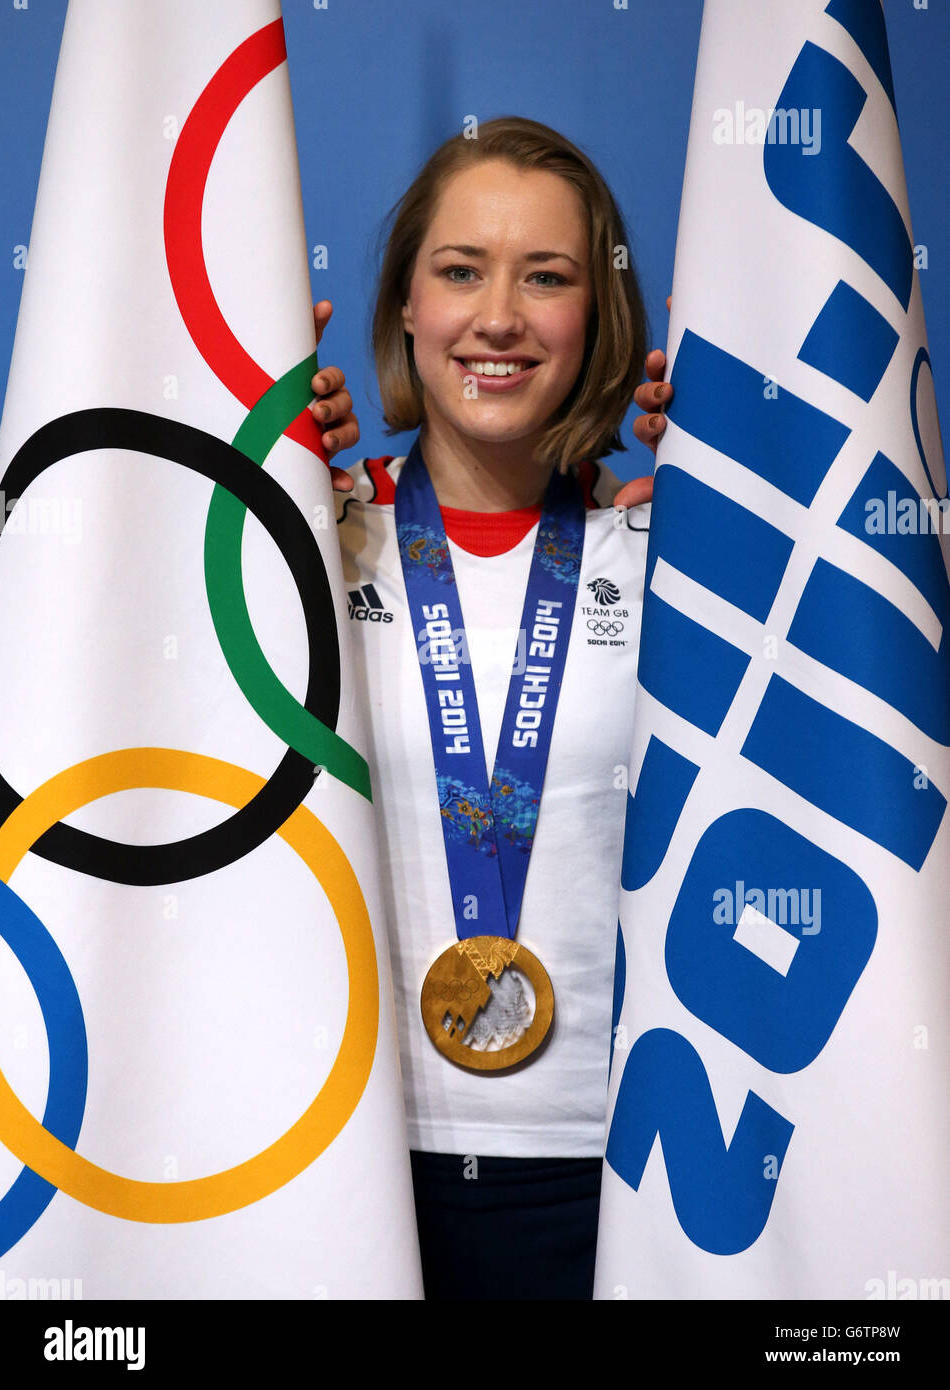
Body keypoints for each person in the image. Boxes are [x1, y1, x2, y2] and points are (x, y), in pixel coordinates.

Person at [304, 116, 671, 1301]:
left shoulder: (666, 554)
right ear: (405, 306)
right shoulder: (309, 542)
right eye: (459, 269)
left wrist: (743, 497)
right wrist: (236, 464)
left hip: (610, 1180)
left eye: (547, 277)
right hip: (334, 1164)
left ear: (596, 317)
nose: (498, 316)